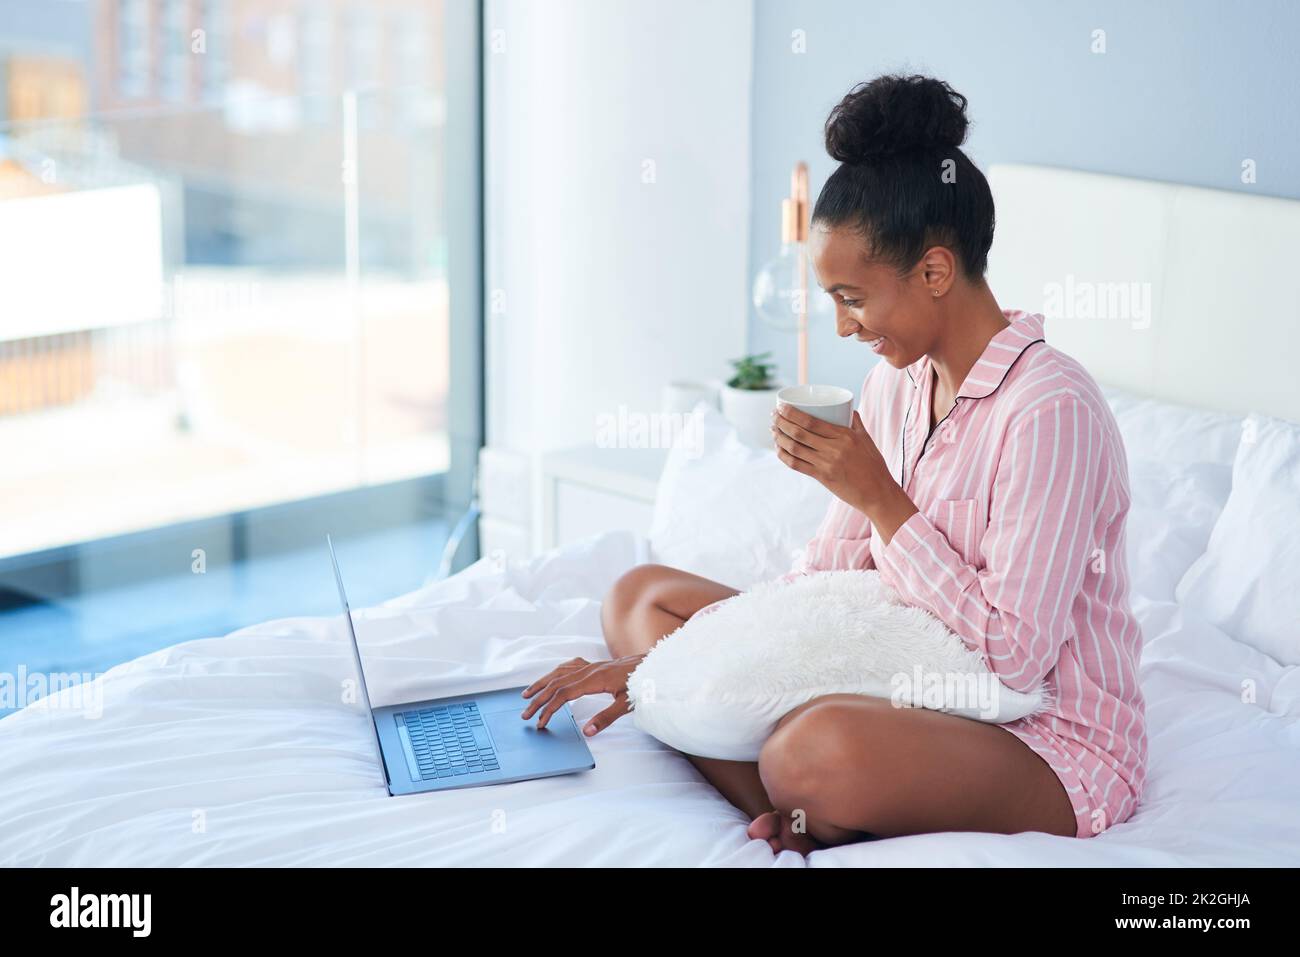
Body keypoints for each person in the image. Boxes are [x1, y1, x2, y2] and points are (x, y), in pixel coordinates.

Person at [519, 74, 1147, 855]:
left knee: (807, 749)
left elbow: (1015, 657)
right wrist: (659, 669)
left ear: (935, 272)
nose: (844, 328)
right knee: (640, 598)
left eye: (853, 299)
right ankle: (813, 804)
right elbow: (825, 583)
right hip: (893, 670)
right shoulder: (896, 384)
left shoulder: (1050, 409)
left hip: (1038, 731)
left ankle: (803, 787)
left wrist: (882, 499)